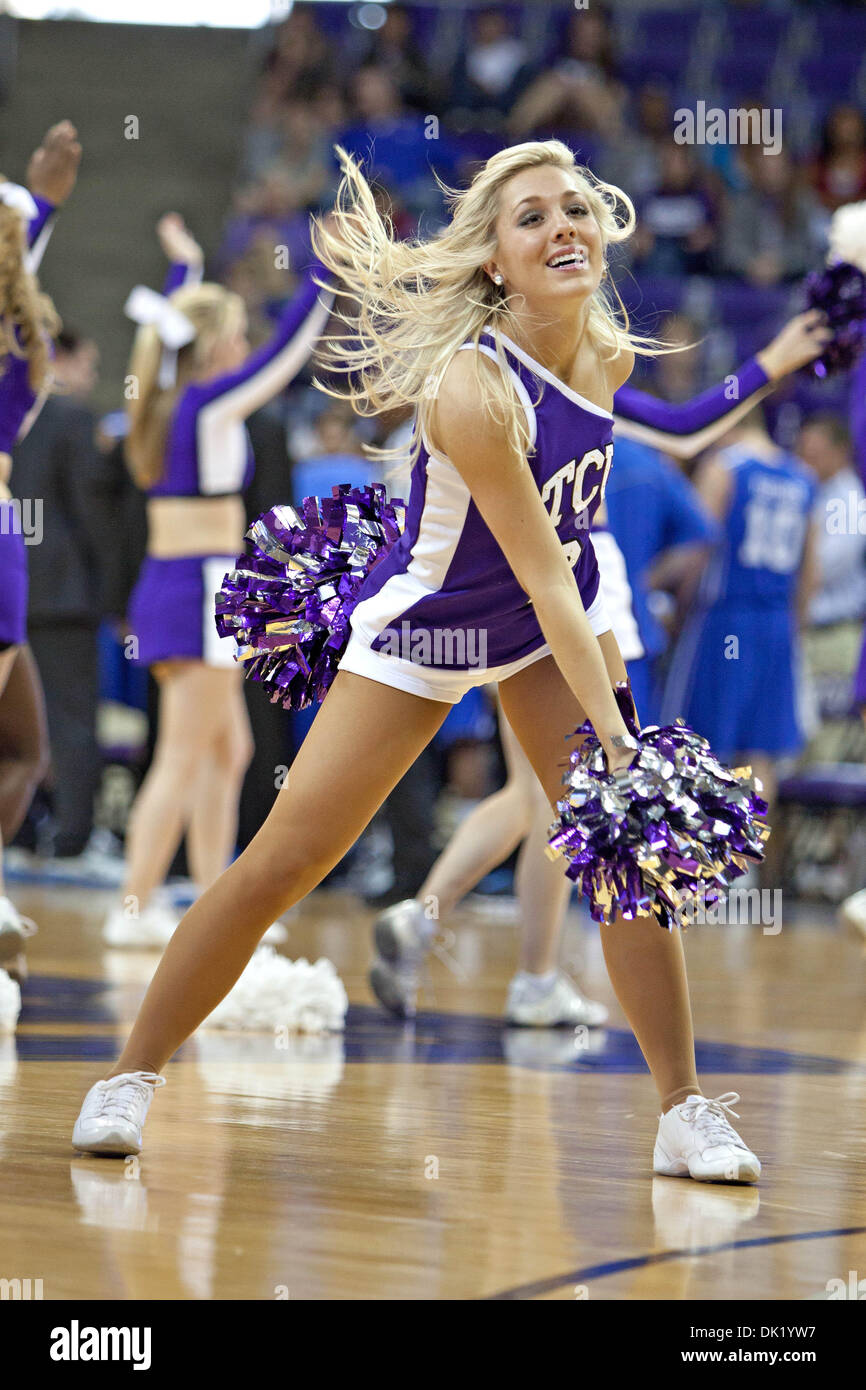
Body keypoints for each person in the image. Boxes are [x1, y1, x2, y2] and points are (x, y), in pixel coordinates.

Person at [73, 140, 774, 1184]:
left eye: (572, 208)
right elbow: (534, 569)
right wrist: (622, 737)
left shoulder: (608, 355)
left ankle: (681, 1109)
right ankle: (128, 1076)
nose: (560, 227)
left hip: (542, 629)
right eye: (528, 217)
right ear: (493, 259)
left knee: (626, 866)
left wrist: (787, 348)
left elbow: (564, 569)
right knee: (283, 859)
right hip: (430, 626)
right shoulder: (470, 389)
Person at [368, 315, 828, 1025]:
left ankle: (440, 923)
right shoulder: (512, 374)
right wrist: (770, 361)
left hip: (496, 586)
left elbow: (680, 423)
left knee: (540, 793)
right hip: (574, 579)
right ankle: (527, 973)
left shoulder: (495, 368)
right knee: (579, 791)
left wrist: (774, 358)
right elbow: (685, 425)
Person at [100, 213, 336, 948]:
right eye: (232, 333)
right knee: (180, 754)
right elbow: (284, 358)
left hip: (184, 585)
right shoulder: (204, 407)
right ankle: (133, 906)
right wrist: (326, 275)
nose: (242, 344)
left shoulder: (172, 398)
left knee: (226, 750)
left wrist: (186, 266)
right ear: (212, 348)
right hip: (198, 587)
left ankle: (210, 900)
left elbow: (173, 339)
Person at [660, 408, 820, 880]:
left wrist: (677, 607)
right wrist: (795, 629)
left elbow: (698, 546)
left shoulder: (724, 467)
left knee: (700, 743)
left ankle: (698, 867)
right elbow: (811, 574)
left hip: (724, 618)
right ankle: (741, 872)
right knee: (760, 752)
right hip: (777, 623)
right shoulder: (803, 477)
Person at [0, 121, 80, 977]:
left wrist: (42, 201)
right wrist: (42, 200)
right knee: (24, 751)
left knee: (26, 748)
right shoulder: (24, 346)